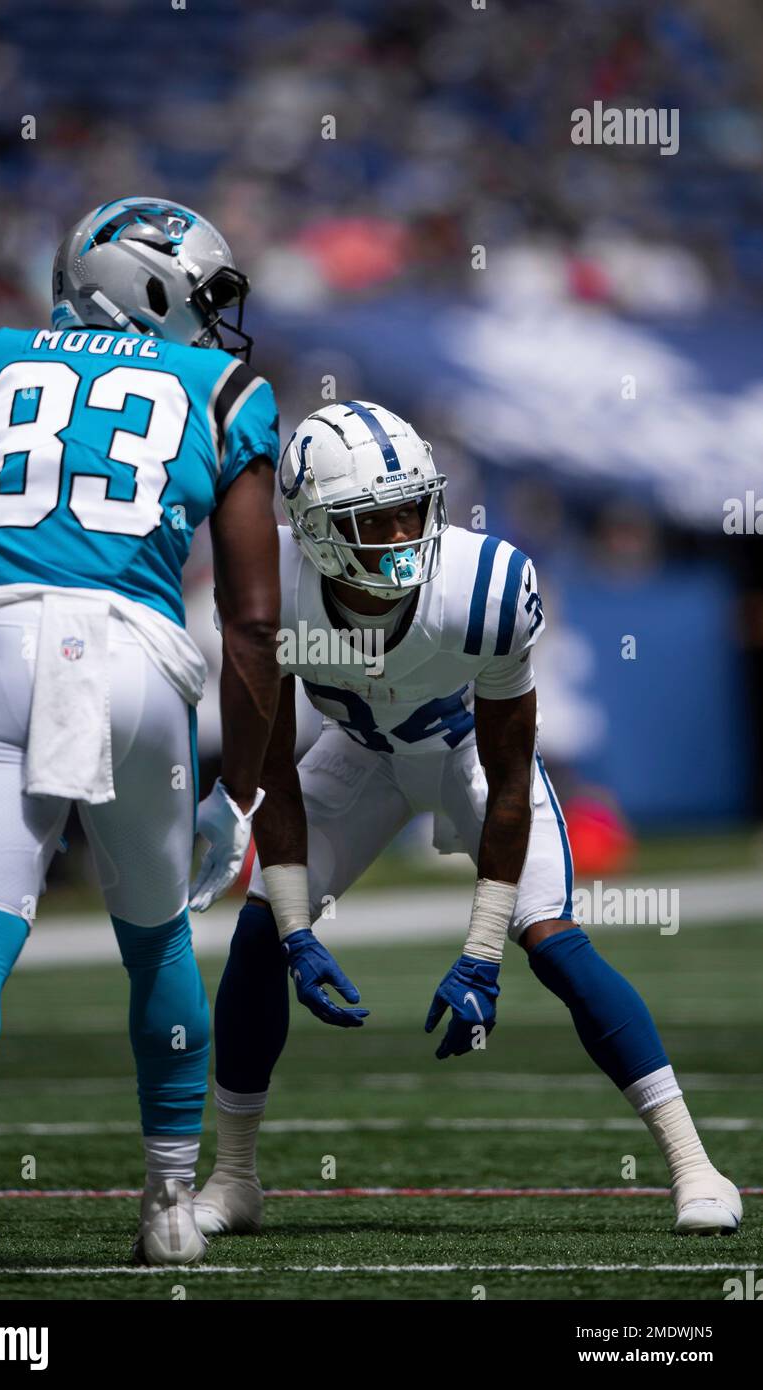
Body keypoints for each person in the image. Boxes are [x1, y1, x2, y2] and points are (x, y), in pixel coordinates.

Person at [193, 399, 743, 1241]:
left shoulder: (483, 587)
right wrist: (300, 929)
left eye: (412, 507)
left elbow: (511, 781)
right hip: (357, 757)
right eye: (373, 519)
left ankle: (694, 1164)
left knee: (554, 938)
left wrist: (484, 952)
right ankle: (232, 1179)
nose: (402, 532)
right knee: (259, 935)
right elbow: (274, 771)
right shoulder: (275, 588)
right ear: (309, 529)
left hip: (467, 757)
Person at [0, 196, 282, 1278]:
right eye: (203, 299)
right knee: (157, 940)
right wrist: (242, 793)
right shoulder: (221, 390)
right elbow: (255, 621)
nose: (215, 325)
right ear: (147, 286)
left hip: (7, 636)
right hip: (141, 658)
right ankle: (170, 1198)